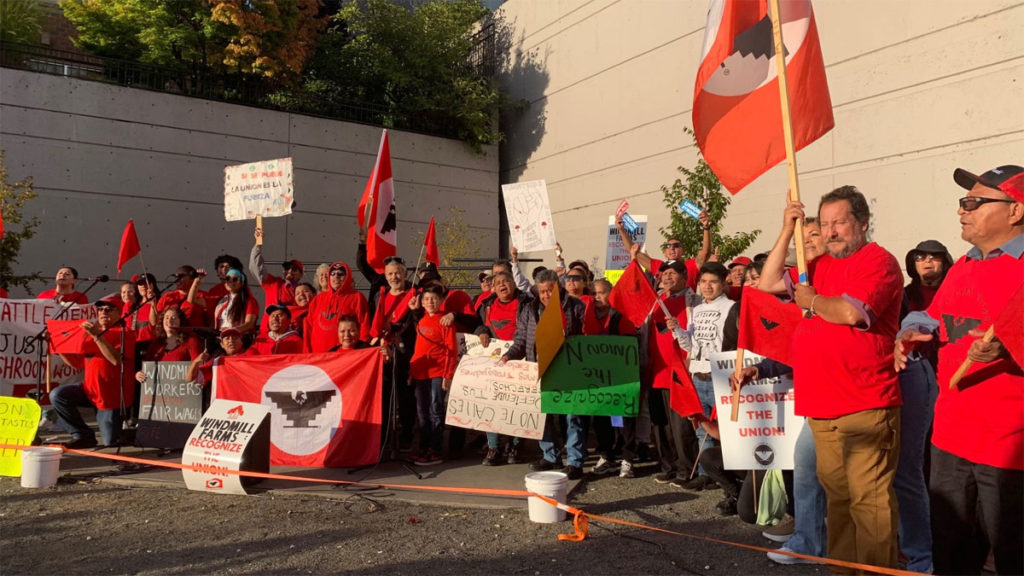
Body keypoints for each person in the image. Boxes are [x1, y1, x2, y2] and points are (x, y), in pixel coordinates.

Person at [759, 185, 904, 571]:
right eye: (824, 224)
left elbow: (852, 313)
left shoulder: (879, 262)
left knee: (869, 504)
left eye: (839, 222)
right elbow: (767, 283)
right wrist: (786, 230)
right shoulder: (817, 265)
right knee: (838, 501)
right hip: (822, 407)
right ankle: (843, 570)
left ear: (863, 222)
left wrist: (811, 301)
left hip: (864, 404)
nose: (830, 232)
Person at [896, 165, 1023, 576]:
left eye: (974, 202)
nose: (961, 211)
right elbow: (933, 317)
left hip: (1009, 448)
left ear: (1015, 211)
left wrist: (1011, 344)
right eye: (962, 202)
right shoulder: (965, 264)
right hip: (950, 438)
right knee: (951, 555)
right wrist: (911, 329)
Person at [890, 239, 953, 573]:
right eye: (920, 257)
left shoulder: (954, 289)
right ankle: (917, 538)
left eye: (934, 257)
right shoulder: (904, 295)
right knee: (915, 462)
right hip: (912, 379)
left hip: (950, 380)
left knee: (937, 465)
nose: (927, 262)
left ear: (945, 261)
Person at [501, 269, 587, 479]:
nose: (546, 295)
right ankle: (550, 456)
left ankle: (575, 462)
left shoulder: (576, 307)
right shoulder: (529, 310)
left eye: (550, 290)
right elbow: (521, 340)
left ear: (558, 288)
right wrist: (508, 356)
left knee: (572, 417)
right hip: (539, 370)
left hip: (569, 371)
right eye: (542, 291)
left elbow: (587, 337)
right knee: (541, 416)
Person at [676, 261, 735, 491]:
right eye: (703, 282)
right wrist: (677, 330)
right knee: (701, 428)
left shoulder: (731, 307)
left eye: (713, 282)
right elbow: (690, 345)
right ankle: (705, 474)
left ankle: (728, 475)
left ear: (724, 283)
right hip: (697, 375)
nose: (707, 286)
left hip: (720, 376)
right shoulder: (697, 309)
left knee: (725, 429)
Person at [49, 297, 135, 448]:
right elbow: (76, 364)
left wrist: (97, 336)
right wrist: (58, 345)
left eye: (108, 309)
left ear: (120, 313)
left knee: (110, 442)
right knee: (57, 395)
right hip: (90, 391)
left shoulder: (125, 333)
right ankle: (82, 435)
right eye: (100, 309)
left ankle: (133, 431)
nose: (103, 313)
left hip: (111, 398)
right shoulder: (91, 333)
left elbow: (116, 360)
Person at [475, 271, 533, 465]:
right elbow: (477, 324)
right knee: (491, 404)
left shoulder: (527, 303)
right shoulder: (486, 305)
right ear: (493, 287)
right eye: (498, 282)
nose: (502, 285)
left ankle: (514, 446)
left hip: (521, 359)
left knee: (517, 405)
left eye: (506, 281)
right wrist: (482, 331)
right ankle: (493, 447)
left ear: (514, 283)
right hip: (495, 361)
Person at [588, 278, 639, 478]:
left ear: (611, 294)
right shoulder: (588, 316)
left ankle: (627, 459)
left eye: (601, 292)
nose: (596, 297)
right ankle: (607, 457)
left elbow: (629, 345)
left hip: (620, 377)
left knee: (624, 420)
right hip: (597, 378)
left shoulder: (621, 316)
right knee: (601, 421)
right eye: (593, 293)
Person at [407, 284, 458, 465]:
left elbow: (452, 349)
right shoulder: (421, 320)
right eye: (427, 299)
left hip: (438, 374)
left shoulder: (445, 321)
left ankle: (435, 450)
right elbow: (418, 349)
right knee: (422, 412)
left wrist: (447, 375)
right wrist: (411, 372)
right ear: (422, 302)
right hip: (420, 373)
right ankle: (423, 447)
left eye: (434, 299)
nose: (430, 302)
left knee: (436, 410)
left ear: (441, 300)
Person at [616, 210, 712, 291]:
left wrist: (706, 227)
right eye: (668, 246)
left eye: (676, 245)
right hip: (664, 306)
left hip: (686, 305)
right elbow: (632, 250)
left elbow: (705, 253)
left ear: (684, 251)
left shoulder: (690, 266)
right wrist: (621, 230)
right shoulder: (659, 266)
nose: (672, 248)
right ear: (665, 253)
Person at [304, 261, 369, 353]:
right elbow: (308, 328)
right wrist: (306, 353)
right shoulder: (318, 299)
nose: (336, 276)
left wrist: (362, 351)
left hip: (345, 355)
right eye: (332, 274)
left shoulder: (357, 297)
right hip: (318, 355)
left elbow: (364, 325)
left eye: (340, 274)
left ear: (348, 277)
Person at [250, 229, 303, 334]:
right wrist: (258, 244)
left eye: (294, 269)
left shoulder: (304, 292)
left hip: (292, 334)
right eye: (287, 268)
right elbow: (256, 267)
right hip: (268, 333)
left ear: (301, 275)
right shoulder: (273, 283)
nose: (290, 271)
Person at [213, 268, 258, 336]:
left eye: (235, 279)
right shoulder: (222, 300)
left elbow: (249, 324)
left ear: (241, 283)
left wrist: (231, 330)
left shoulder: (249, 301)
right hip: (221, 338)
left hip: (238, 338)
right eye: (228, 278)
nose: (231, 281)